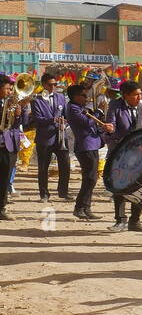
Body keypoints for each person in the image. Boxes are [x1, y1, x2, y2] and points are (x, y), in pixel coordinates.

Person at [104, 80, 142, 233]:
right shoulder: (115, 106)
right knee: (119, 186)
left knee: (139, 186)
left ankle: (135, 220)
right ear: (125, 95)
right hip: (121, 154)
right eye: (135, 95)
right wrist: (109, 129)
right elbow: (111, 126)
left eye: (141, 94)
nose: (139, 97)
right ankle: (120, 220)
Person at [66, 83, 111, 222]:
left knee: (91, 178)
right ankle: (80, 207)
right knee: (89, 178)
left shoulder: (81, 108)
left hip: (93, 144)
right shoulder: (73, 108)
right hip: (85, 146)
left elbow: (93, 124)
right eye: (84, 96)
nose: (87, 98)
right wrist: (99, 112)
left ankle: (86, 208)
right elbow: (87, 123)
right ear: (75, 96)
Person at [27, 71, 72, 203]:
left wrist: (65, 123)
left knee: (65, 166)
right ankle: (44, 194)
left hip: (61, 137)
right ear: (44, 85)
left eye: (55, 84)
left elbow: (66, 115)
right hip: (45, 138)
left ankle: (63, 192)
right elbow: (37, 119)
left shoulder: (61, 97)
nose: (53, 87)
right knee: (43, 168)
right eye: (50, 85)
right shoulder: (36, 100)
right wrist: (54, 120)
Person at [0, 75, 29, 222]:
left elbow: (23, 123)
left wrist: (20, 112)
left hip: (9, 145)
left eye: (12, 89)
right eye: (7, 89)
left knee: (5, 178)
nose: (10, 91)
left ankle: (2, 207)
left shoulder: (11, 102)